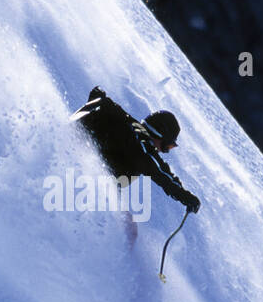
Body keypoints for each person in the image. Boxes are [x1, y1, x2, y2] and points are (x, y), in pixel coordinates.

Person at [71, 86, 201, 214]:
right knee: (128, 226)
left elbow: (104, 100)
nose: (163, 151)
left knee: (127, 220)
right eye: (167, 146)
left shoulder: (132, 128)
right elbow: (161, 173)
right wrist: (186, 197)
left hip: (85, 169)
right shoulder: (141, 146)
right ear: (159, 135)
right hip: (81, 179)